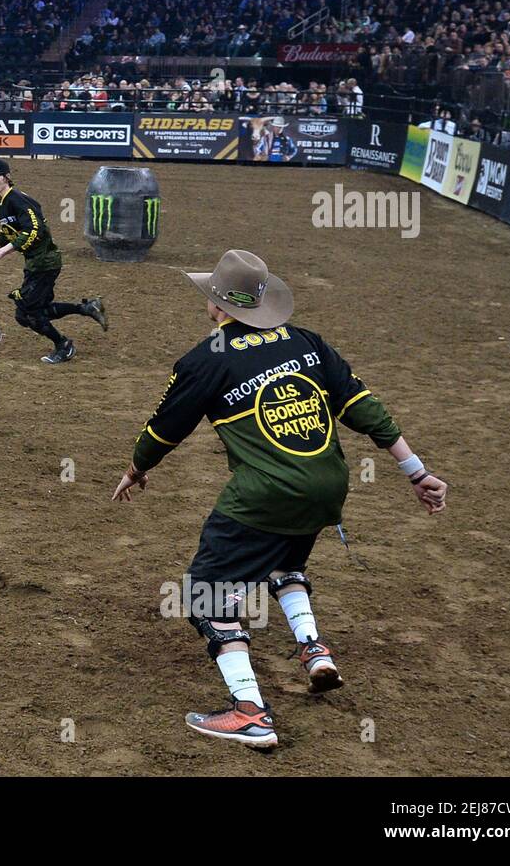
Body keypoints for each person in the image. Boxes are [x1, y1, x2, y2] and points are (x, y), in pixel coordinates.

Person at [111, 250, 448, 749]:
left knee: (204, 597)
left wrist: (137, 469)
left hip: (265, 496)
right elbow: (364, 406)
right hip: (327, 486)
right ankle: (314, 649)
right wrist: (416, 472)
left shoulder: (205, 359)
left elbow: (164, 430)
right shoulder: (307, 342)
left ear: (217, 303)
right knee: (283, 560)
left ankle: (250, 711)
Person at [0, 160, 107, 363]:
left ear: (6, 177)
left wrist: (2, 253)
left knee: (29, 314)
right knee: (30, 313)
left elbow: (33, 230)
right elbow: (7, 230)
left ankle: (64, 345)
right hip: (36, 264)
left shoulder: (18, 200)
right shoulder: (0, 203)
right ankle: (86, 308)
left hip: (45, 263)